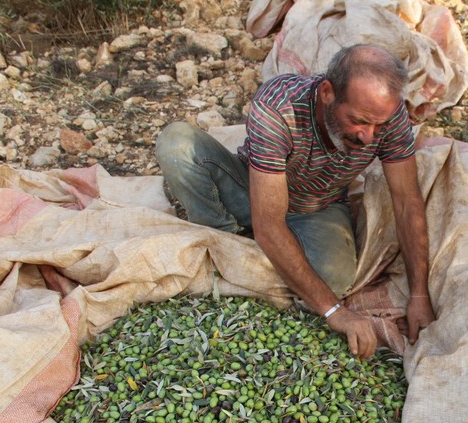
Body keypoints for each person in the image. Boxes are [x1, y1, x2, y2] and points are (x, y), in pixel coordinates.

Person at [155, 44, 435, 360]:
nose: (368, 137)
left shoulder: (388, 115)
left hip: (318, 206)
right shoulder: (279, 107)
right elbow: (269, 223)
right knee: (176, 143)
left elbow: (407, 202)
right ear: (328, 93)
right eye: (358, 121)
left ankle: (252, 255)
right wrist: (335, 312)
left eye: (378, 126)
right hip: (253, 190)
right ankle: (224, 240)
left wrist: (419, 294)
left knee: (335, 279)